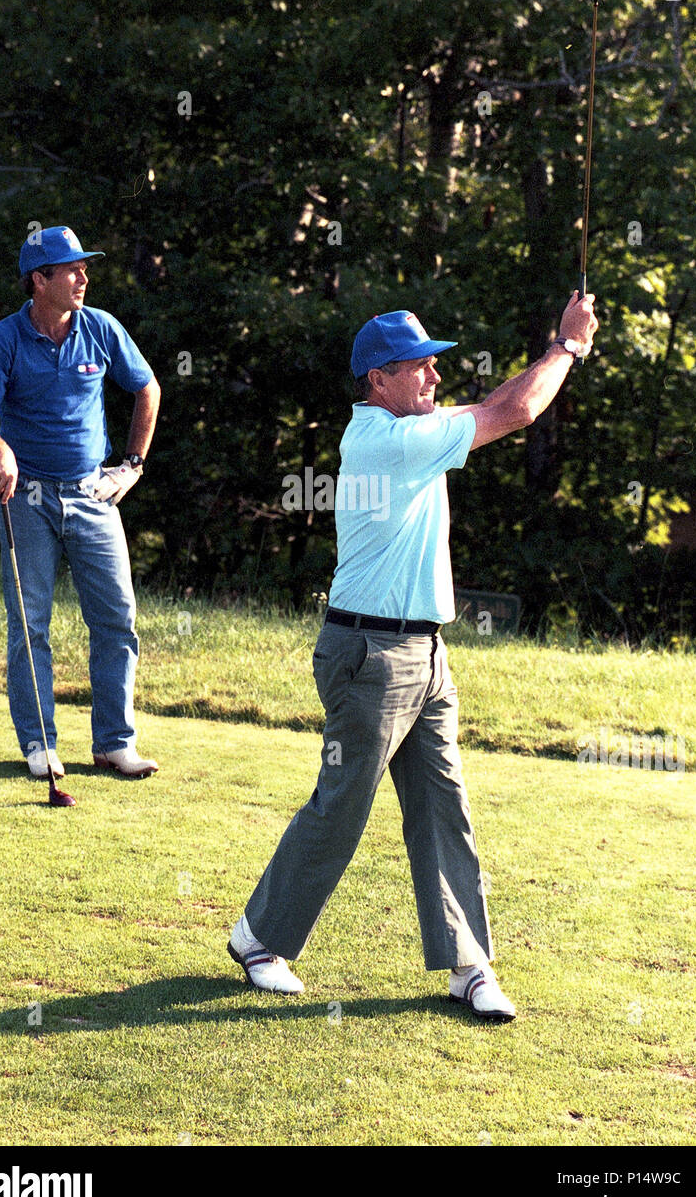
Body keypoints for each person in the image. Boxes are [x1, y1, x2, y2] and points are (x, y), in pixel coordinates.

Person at [228, 290, 598, 1020]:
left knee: (443, 806)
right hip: (368, 653)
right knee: (343, 807)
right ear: (378, 382)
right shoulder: (385, 442)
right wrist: (570, 347)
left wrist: (547, 358)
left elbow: (493, 402)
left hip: (423, 654)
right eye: (418, 367)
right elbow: (515, 413)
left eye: (433, 364)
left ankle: (469, 965)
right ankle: (257, 938)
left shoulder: (414, 426)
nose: (433, 377)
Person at [0, 226, 162, 781]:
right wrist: (0, 449)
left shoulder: (101, 328)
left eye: (83, 268)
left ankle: (114, 744)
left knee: (117, 619)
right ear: (39, 279)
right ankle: (39, 743)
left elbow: (147, 388)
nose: (83, 278)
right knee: (31, 625)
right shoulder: (3, 340)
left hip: (93, 494)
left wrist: (133, 465)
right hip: (24, 499)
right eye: (71, 269)